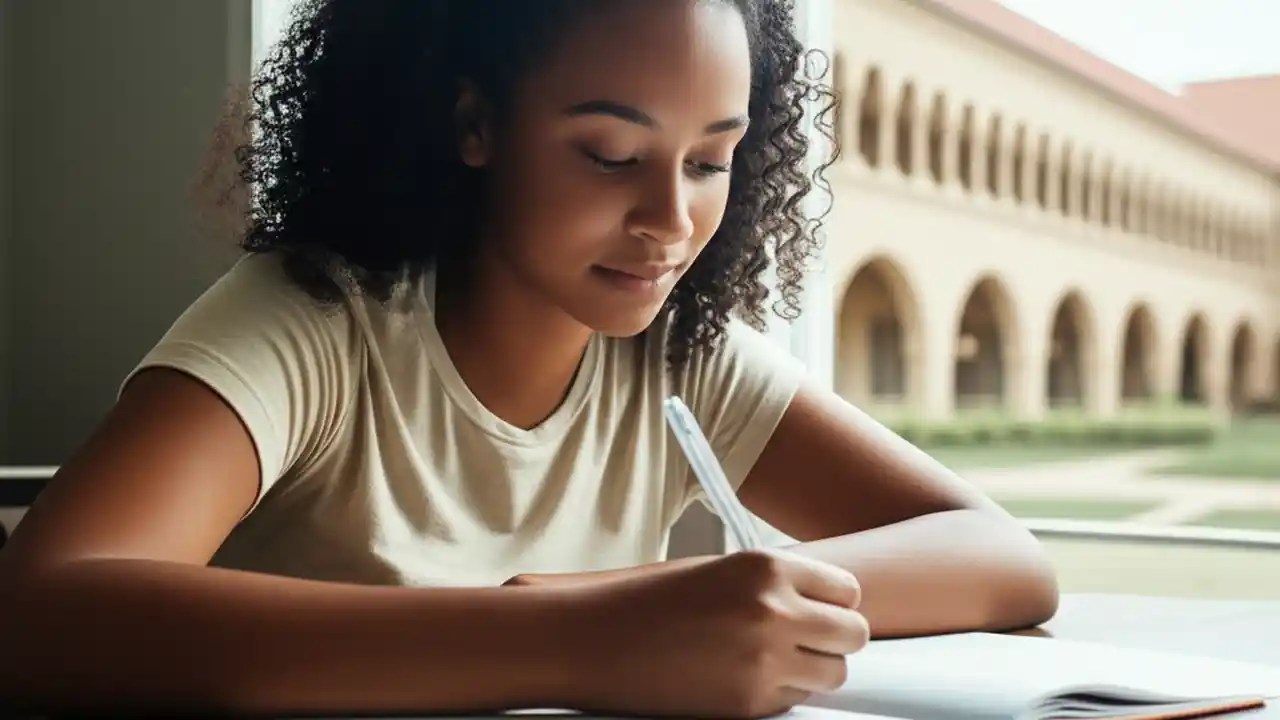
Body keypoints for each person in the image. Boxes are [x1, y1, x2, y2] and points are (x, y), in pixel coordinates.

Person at [0, 0, 1058, 717]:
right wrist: (579, 635)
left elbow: (1001, 559)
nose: (669, 219)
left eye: (708, 160)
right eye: (609, 153)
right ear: (471, 121)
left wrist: (694, 609)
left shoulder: (678, 352)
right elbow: (44, 611)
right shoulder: (315, 320)